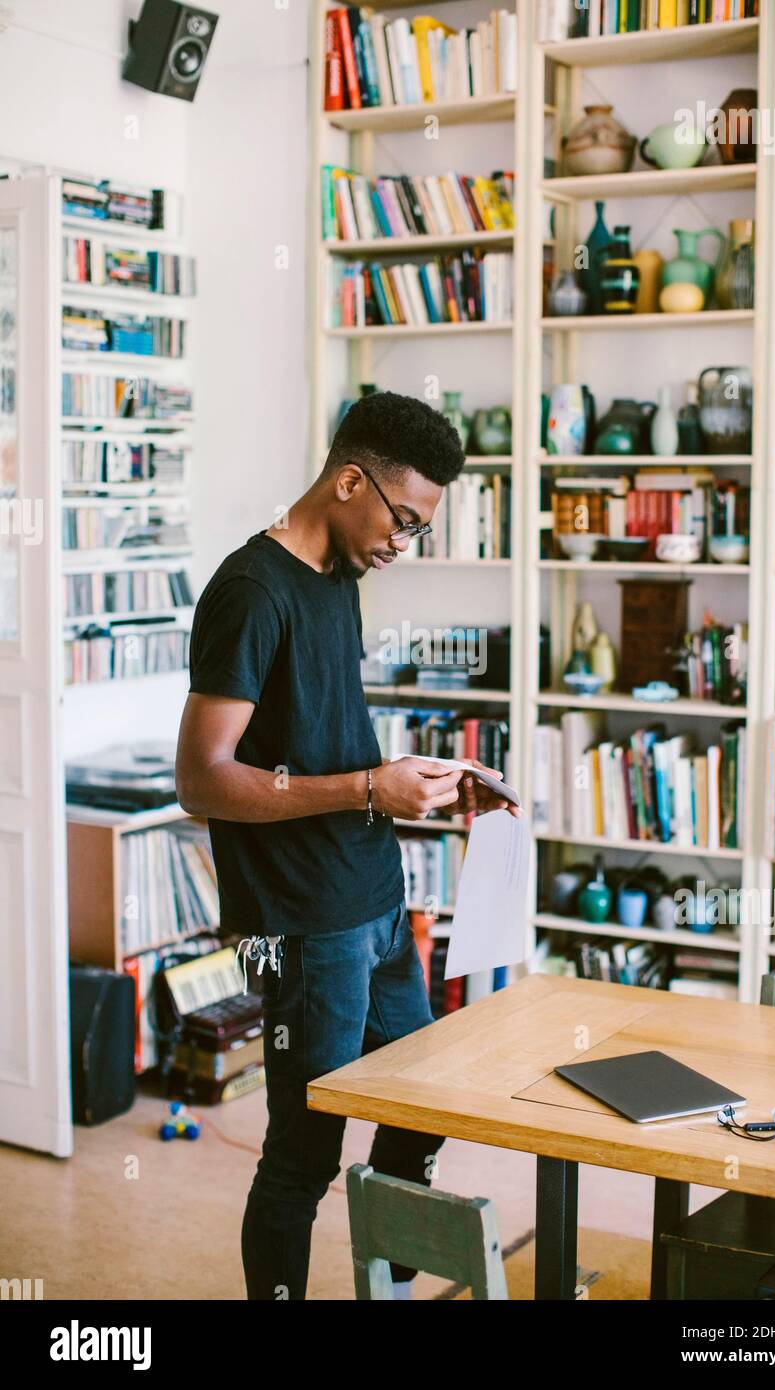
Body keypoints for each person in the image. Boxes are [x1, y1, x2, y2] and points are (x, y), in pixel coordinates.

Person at [174, 390, 523, 1300]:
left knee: (421, 1105)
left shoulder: (338, 578)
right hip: (303, 925)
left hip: (374, 899)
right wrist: (370, 788)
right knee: (302, 1158)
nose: (405, 543)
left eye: (419, 529)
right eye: (403, 520)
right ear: (349, 482)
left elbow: (320, 743)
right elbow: (201, 779)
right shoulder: (251, 592)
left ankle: (390, 1286)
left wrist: (423, 783)